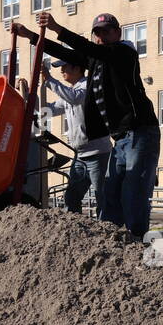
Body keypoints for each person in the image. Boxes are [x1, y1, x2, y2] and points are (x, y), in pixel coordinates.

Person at [15, 11, 160, 238]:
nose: (101, 36)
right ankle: (113, 240)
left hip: (140, 132)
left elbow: (87, 50)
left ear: (117, 33)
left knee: (134, 190)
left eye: (106, 31)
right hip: (119, 139)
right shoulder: (96, 60)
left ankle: (137, 238)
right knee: (111, 192)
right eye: (97, 33)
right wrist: (32, 37)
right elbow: (66, 52)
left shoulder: (124, 52)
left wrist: (56, 27)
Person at [40, 58, 112, 217]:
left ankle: (109, 232)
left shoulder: (87, 86)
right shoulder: (71, 92)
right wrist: (27, 96)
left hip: (98, 154)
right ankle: (78, 232)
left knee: (104, 198)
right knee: (71, 198)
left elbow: (74, 98)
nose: (61, 71)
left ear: (78, 68)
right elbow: (48, 110)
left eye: (65, 67)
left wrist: (49, 80)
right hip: (80, 156)